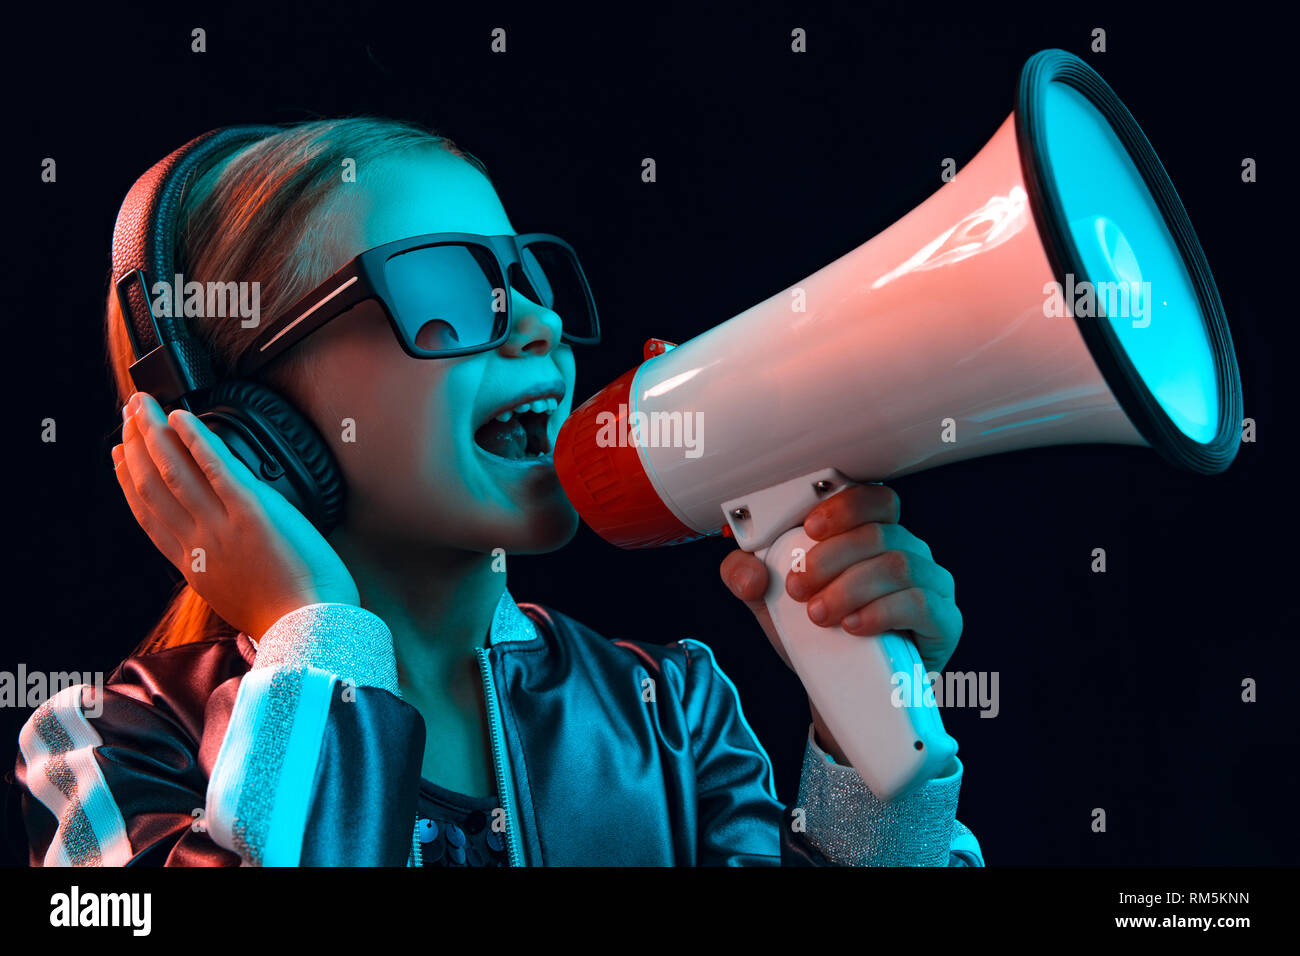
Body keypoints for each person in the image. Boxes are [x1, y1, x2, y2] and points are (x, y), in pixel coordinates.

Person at [15, 118, 982, 866]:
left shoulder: (669, 709)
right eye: (445, 289)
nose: (538, 324)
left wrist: (873, 724)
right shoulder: (103, 747)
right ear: (252, 428)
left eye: (527, 277)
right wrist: (314, 638)